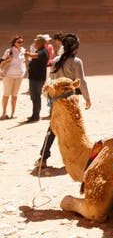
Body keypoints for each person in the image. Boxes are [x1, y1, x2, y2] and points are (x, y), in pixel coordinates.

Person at [36, 33, 91, 168]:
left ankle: (43, 156)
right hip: (71, 100)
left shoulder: (56, 60)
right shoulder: (76, 62)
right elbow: (81, 81)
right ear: (75, 48)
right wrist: (87, 98)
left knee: (53, 127)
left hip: (56, 100)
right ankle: (75, 157)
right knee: (74, 127)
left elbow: (52, 79)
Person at [1, 36, 27, 119]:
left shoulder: (23, 50)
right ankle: (4, 113)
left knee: (15, 96)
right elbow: (1, 63)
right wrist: (7, 60)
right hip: (9, 75)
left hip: (19, 76)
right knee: (6, 95)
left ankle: (13, 114)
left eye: (22, 42)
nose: (21, 43)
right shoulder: (9, 51)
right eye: (19, 42)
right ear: (14, 43)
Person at [25, 34, 49, 122]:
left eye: (36, 42)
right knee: (34, 97)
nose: (35, 43)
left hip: (37, 79)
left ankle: (35, 116)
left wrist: (26, 53)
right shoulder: (41, 50)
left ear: (40, 43)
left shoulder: (42, 51)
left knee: (36, 97)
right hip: (36, 78)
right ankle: (35, 114)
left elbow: (34, 55)